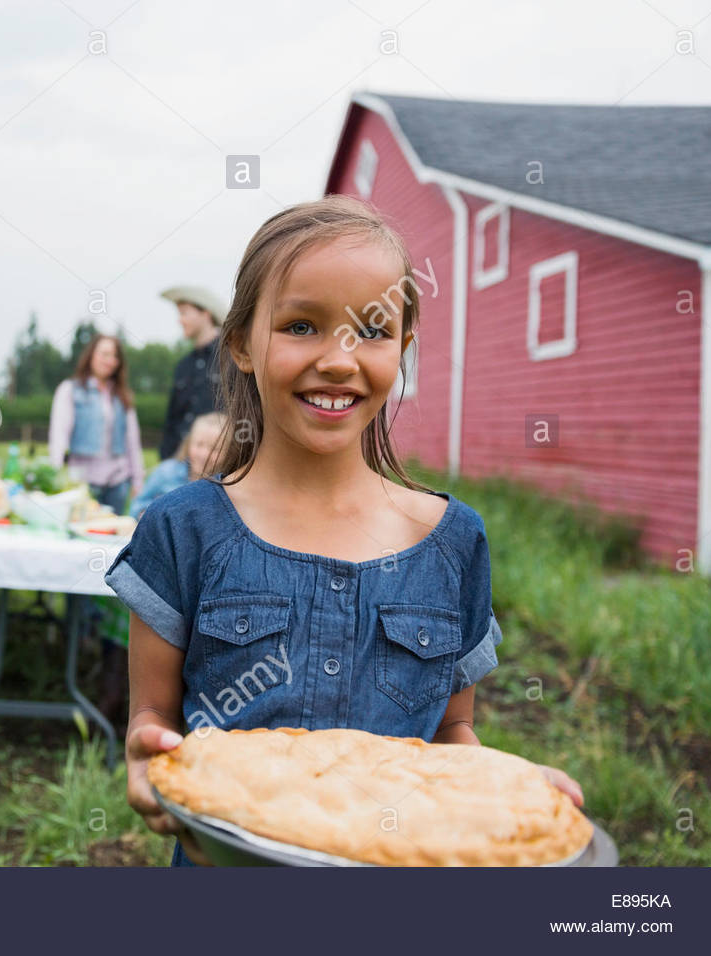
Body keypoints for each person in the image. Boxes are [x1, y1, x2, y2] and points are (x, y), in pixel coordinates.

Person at [105, 196, 585, 867]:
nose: (338, 359)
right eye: (302, 325)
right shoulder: (183, 529)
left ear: (404, 349)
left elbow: (452, 733)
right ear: (240, 342)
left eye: (373, 330)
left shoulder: (453, 542)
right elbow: (153, 719)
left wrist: (511, 790)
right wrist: (144, 752)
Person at [47, 334, 145, 515]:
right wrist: (56, 473)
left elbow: (132, 439)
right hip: (82, 481)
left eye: (115, 356)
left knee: (109, 532)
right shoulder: (70, 390)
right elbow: (59, 435)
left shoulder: (122, 395)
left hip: (117, 482)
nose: (110, 360)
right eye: (104, 354)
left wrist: (138, 480)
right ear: (91, 355)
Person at [157, 284, 227, 462]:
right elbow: (172, 421)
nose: (180, 320)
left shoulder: (231, 359)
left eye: (184, 313)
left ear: (206, 314)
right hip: (180, 464)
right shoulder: (183, 366)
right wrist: (166, 461)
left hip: (219, 467)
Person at [128, 412, 225, 519]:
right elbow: (137, 506)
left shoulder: (227, 487)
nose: (204, 454)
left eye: (215, 449)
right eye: (199, 444)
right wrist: (146, 514)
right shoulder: (166, 472)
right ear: (188, 444)